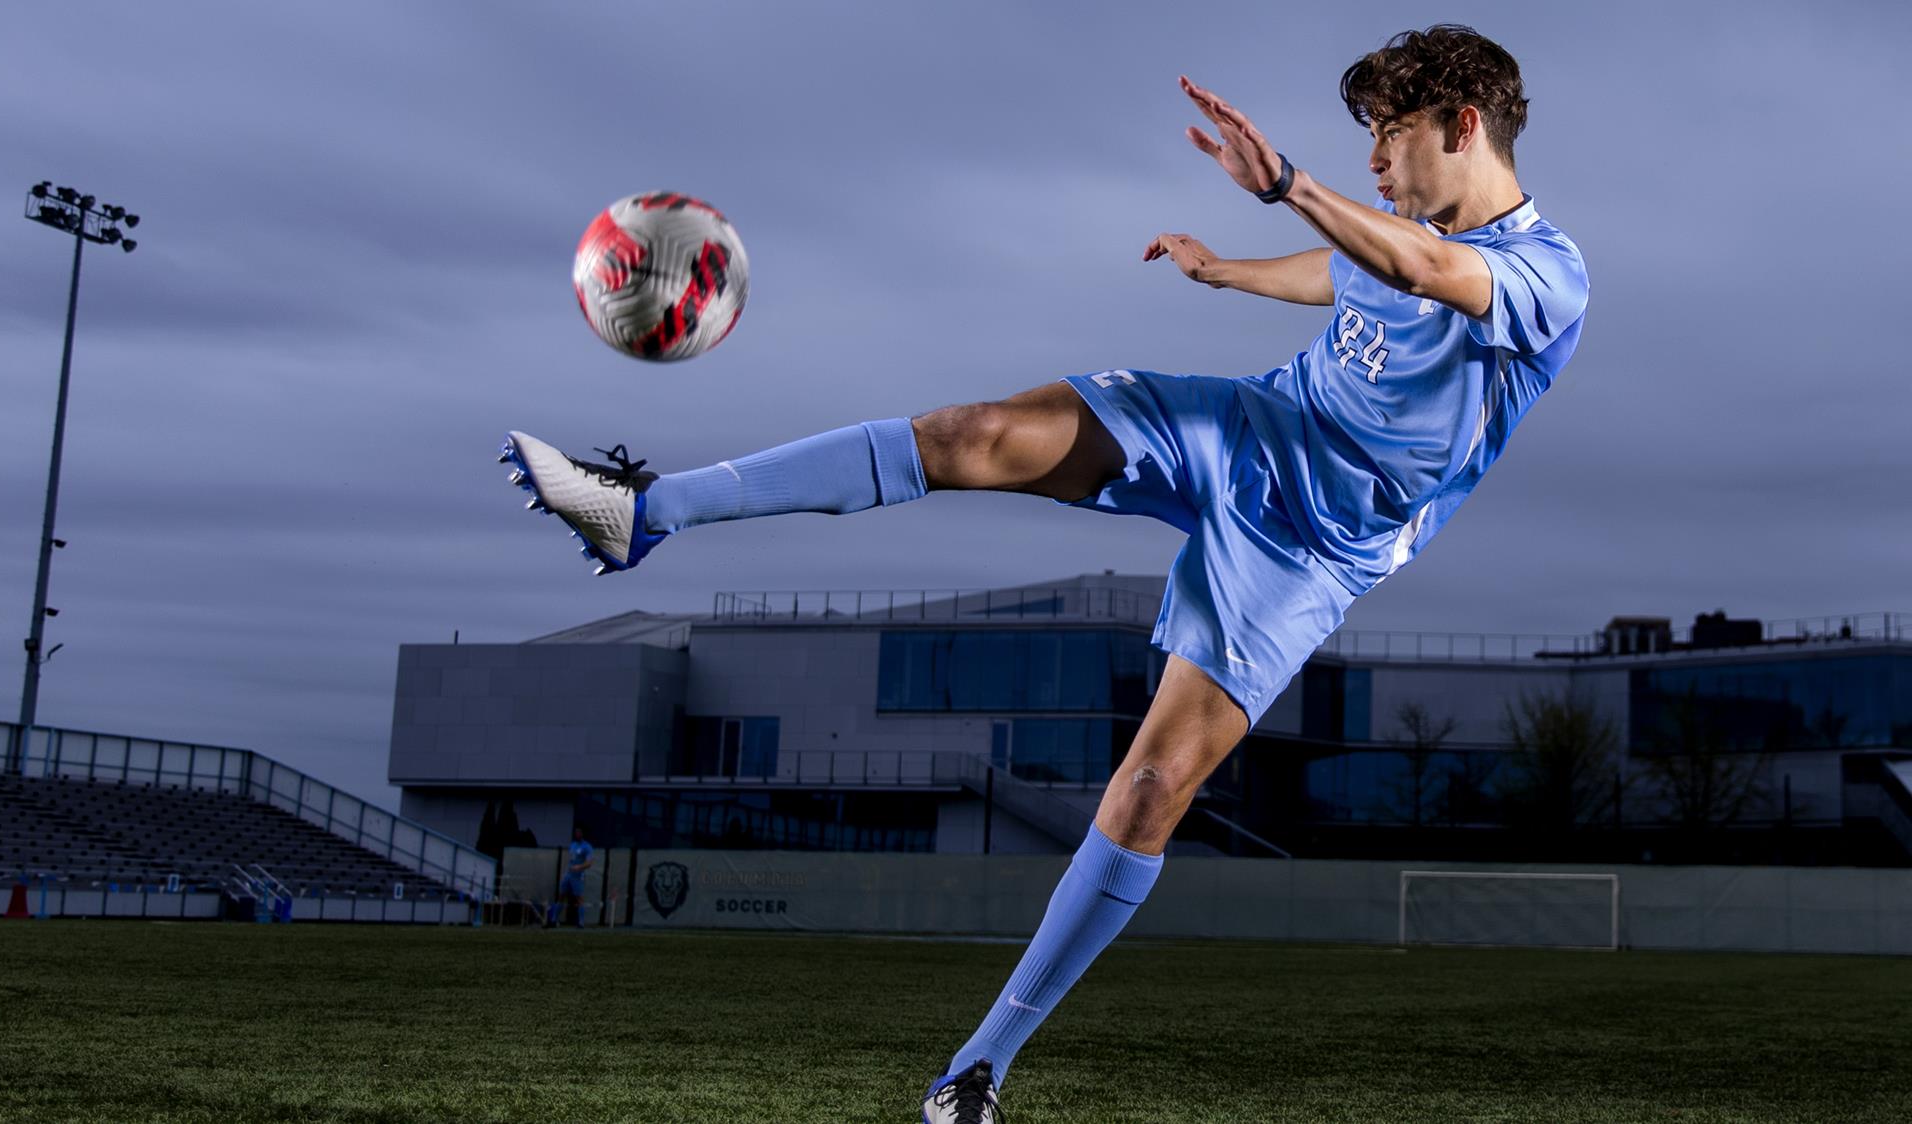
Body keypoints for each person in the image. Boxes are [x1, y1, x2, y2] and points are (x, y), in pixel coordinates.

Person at [500, 24, 1586, 1122]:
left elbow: (1426, 272)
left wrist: (1288, 185)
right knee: (971, 430)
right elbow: (1351, 269)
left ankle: (975, 1067)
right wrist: (1225, 273)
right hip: (1247, 427)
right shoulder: (1390, 223)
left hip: (1314, 546)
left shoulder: (1546, 276)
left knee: (1152, 789)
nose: (1371, 163)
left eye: (1388, 136)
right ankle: (642, 512)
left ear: (1462, 126)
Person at [553, 824, 594, 930]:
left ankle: (581, 923)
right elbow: (571, 859)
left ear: (583, 833)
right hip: (568, 874)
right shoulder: (573, 845)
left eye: (579, 832)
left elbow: (589, 863)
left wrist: (579, 867)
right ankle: (553, 920)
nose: (577, 834)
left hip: (578, 875)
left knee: (579, 898)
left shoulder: (587, 847)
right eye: (576, 832)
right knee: (561, 895)